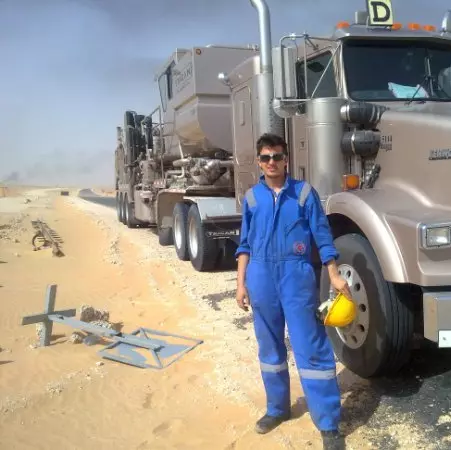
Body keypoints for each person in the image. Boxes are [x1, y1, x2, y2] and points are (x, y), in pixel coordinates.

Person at [235, 133, 351, 450]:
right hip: (260, 275)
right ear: (259, 162)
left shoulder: (304, 194)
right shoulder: (252, 198)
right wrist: (240, 283)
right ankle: (277, 409)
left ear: (286, 159)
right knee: (270, 349)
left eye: (276, 156)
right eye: (265, 157)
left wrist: (334, 275)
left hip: (296, 275)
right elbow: (243, 245)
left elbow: (323, 237)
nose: (271, 162)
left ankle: (328, 424)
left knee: (310, 347)